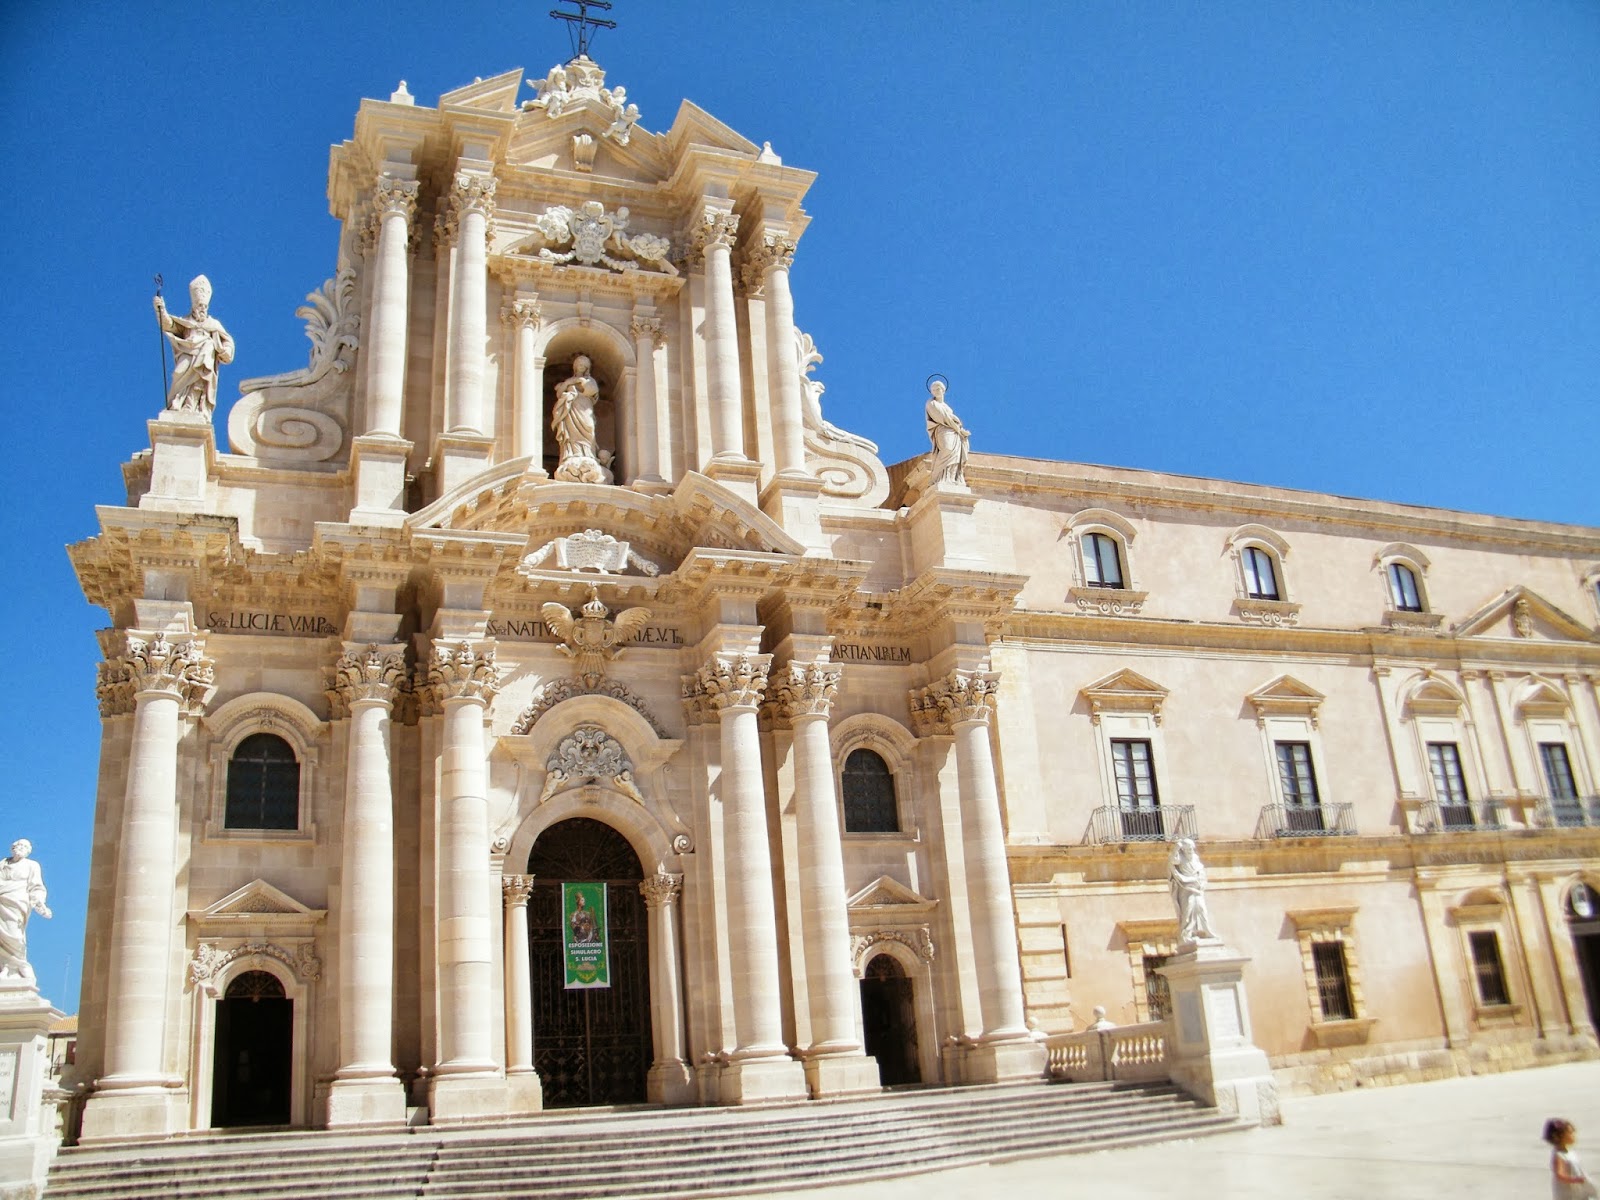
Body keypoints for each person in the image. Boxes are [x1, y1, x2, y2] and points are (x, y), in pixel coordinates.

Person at [154, 275, 235, 417]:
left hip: (205, 356)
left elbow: (227, 341)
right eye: (199, 306)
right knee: (178, 374)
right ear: (193, 306)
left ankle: (193, 406)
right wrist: (161, 310)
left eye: (204, 306)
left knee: (203, 370)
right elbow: (169, 325)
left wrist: (226, 350)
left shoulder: (214, 324)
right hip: (187, 352)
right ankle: (177, 403)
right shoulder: (186, 321)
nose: (202, 308)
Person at [0, 839, 52, 986]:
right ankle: (6, 968)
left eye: (24, 846)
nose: (21, 848)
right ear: (13, 848)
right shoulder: (2, 864)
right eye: (18, 845)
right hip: (1, 901)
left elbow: (37, 887)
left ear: (28, 851)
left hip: (17, 903)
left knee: (14, 935)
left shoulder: (32, 865)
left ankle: (19, 966)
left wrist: (39, 903)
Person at [551, 355, 610, 483]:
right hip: (571, 409)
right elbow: (559, 393)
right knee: (572, 433)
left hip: (585, 407)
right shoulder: (569, 381)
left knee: (589, 428)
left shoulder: (590, 380)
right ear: (575, 367)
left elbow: (592, 391)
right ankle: (572, 454)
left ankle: (589, 454)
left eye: (584, 366)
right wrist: (568, 383)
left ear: (587, 368)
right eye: (579, 365)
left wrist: (582, 382)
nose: (581, 367)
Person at [1168, 837, 1218, 942]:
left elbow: (1200, 870)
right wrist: (1176, 848)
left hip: (1197, 887)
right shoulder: (1180, 857)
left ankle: (1207, 931)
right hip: (1186, 888)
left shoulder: (1195, 857)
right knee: (1188, 911)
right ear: (1183, 849)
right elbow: (1173, 860)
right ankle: (1186, 935)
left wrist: (1202, 882)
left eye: (1191, 848)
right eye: (1188, 848)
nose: (1190, 850)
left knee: (1202, 909)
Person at [924, 379, 970, 485]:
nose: (935, 391)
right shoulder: (931, 403)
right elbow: (942, 417)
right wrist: (958, 428)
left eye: (938, 389)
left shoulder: (946, 406)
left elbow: (949, 418)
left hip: (953, 432)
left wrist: (959, 429)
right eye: (933, 390)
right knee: (947, 449)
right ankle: (938, 477)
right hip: (942, 430)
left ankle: (952, 478)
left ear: (943, 390)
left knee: (955, 455)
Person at [1545, 1118, 1599, 1200]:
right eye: (1570, 1133)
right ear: (1557, 1137)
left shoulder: (1570, 1152)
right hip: (1566, 1193)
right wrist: (1575, 1180)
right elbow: (1559, 1174)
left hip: (1576, 1190)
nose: (1573, 1135)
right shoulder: (1559, 1155)